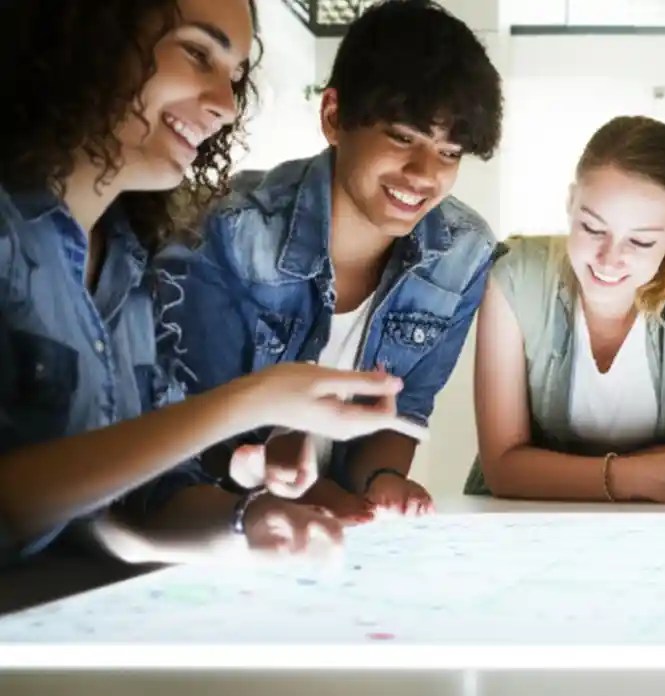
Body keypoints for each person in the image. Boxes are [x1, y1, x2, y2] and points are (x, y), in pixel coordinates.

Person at [0, 0, 414, 565]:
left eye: (234, 77)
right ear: (83, 40)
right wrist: (251, 401)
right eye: (197, 54)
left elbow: (126, 512)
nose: (225, 105)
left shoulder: (130, 262)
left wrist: (250, 521)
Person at [153, 0, 503, 522]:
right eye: (402, 137)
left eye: (449, 152)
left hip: (331, 531)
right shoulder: (230, 231)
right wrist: (315, 496)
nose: (424, 174)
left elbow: (405, 409)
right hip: (215, 520)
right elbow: (191, 427)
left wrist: (382, 481)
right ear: (334, 116)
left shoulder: (464, 252)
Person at [467, 116, 665, 503]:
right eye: (593, 228)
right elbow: (502, 469)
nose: (610, 259)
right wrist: (629, 477)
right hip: (523, 522)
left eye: (641, 241)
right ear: (570, 203)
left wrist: (546, 470)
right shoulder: (516, 279)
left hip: (662, 528)